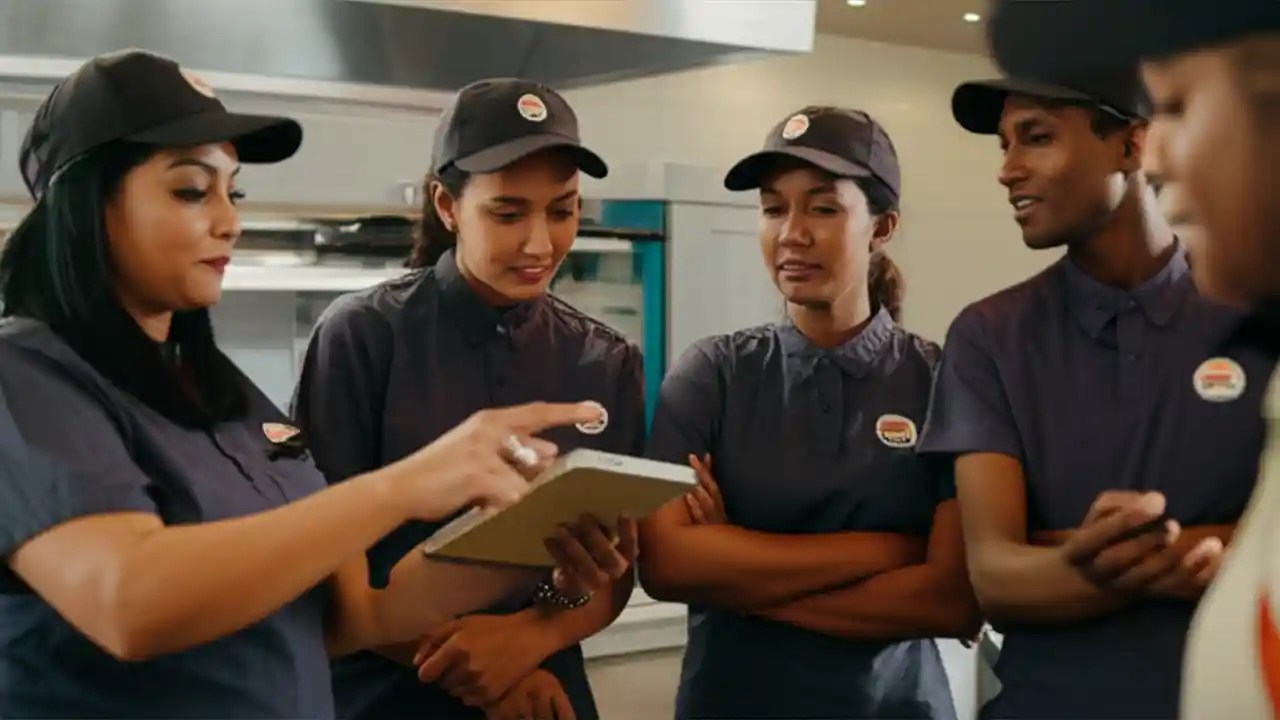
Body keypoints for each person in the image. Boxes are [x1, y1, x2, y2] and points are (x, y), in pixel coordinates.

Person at [0, 49, 607, 718]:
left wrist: (521, 540)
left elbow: (355, 615)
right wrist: (402, 486)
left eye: (234, 191)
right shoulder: (26, 379)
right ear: (84, 203)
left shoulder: (226, 400)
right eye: (191, 190)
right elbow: (128, 600)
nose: (228, 220)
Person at [917, 68, 1275, 719]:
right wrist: (1210, 544)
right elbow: (995, 578)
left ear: (1133, 146)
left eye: (1036, 137)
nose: (1008, 169)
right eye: (1005, 145)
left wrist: (1067, 554)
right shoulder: (988, 336)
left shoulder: (1250, 309)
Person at [291, 78, 644, 720]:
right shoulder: (363, 335)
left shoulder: (607, 359)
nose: (540, 244)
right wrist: (486, 676)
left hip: (548, 695)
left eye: (562, 211)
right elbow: (316, 557)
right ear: (447, 206)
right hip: (389, 694)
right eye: (508, 213)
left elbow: (614, 567)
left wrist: (531, 641)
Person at [638, 106, 980, 720]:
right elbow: (667, 564)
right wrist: (893, 550)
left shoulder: (939, 380)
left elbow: (950, 598)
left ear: (882, 226)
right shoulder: (713, 374)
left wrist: (734, 572)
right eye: (774, 208)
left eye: (823, 208)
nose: (792, 232)